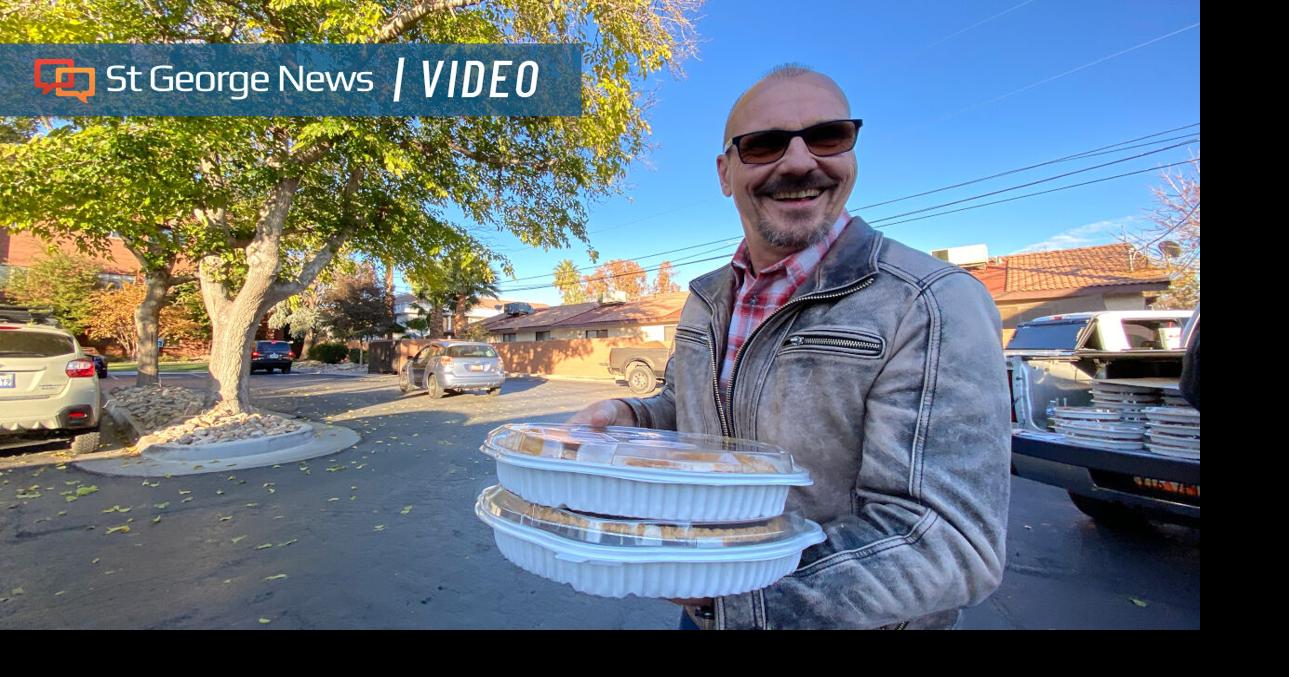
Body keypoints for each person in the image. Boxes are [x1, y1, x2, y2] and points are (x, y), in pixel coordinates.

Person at [568, 64, 1012, 630]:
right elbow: (693, 414)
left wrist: (730, 595)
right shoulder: (707, 298)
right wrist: (628, 414)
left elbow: (950, 543)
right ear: (725, 172)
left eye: (827, 136)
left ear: (852, 152)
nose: (800, 161)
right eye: (765, 144)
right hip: (704, 613)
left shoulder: (931, 303)